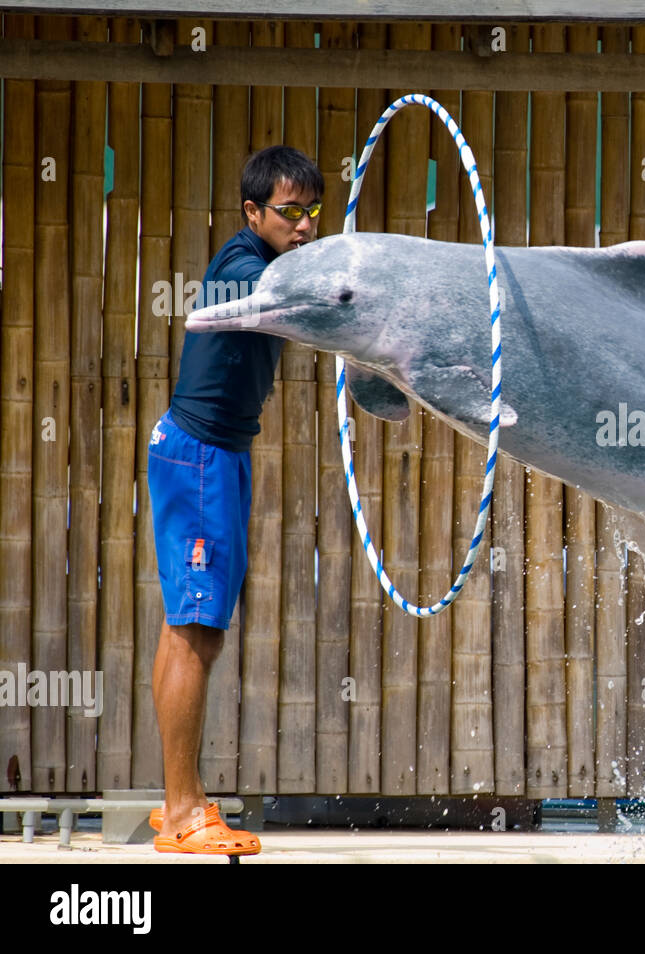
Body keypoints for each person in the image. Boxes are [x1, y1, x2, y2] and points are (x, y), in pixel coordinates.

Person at [146, 145, 323, 855]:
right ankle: (186, 812)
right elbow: (286, 300)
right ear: (254, 213)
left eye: (313, 212)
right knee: (197, 628)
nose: (305, 226)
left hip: (209, 455)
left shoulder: (268, 260)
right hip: (200, 459)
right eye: (290, 213)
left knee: (185, 625)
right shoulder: (243, 268)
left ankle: (174, 802)